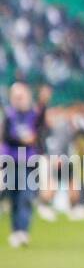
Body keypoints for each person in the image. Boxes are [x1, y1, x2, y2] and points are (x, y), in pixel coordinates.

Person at [1, 82, 43, 248]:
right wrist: (21, 140)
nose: (19, 100)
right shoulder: (9, 116)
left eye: (22, 97)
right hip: (12, 161)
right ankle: (15, 230)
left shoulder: (33, 115)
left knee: (26, 196)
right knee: (15, 197)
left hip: (29, 161)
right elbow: (6, 138)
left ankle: (23, 230)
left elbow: (40, 131)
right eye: (16, 97)